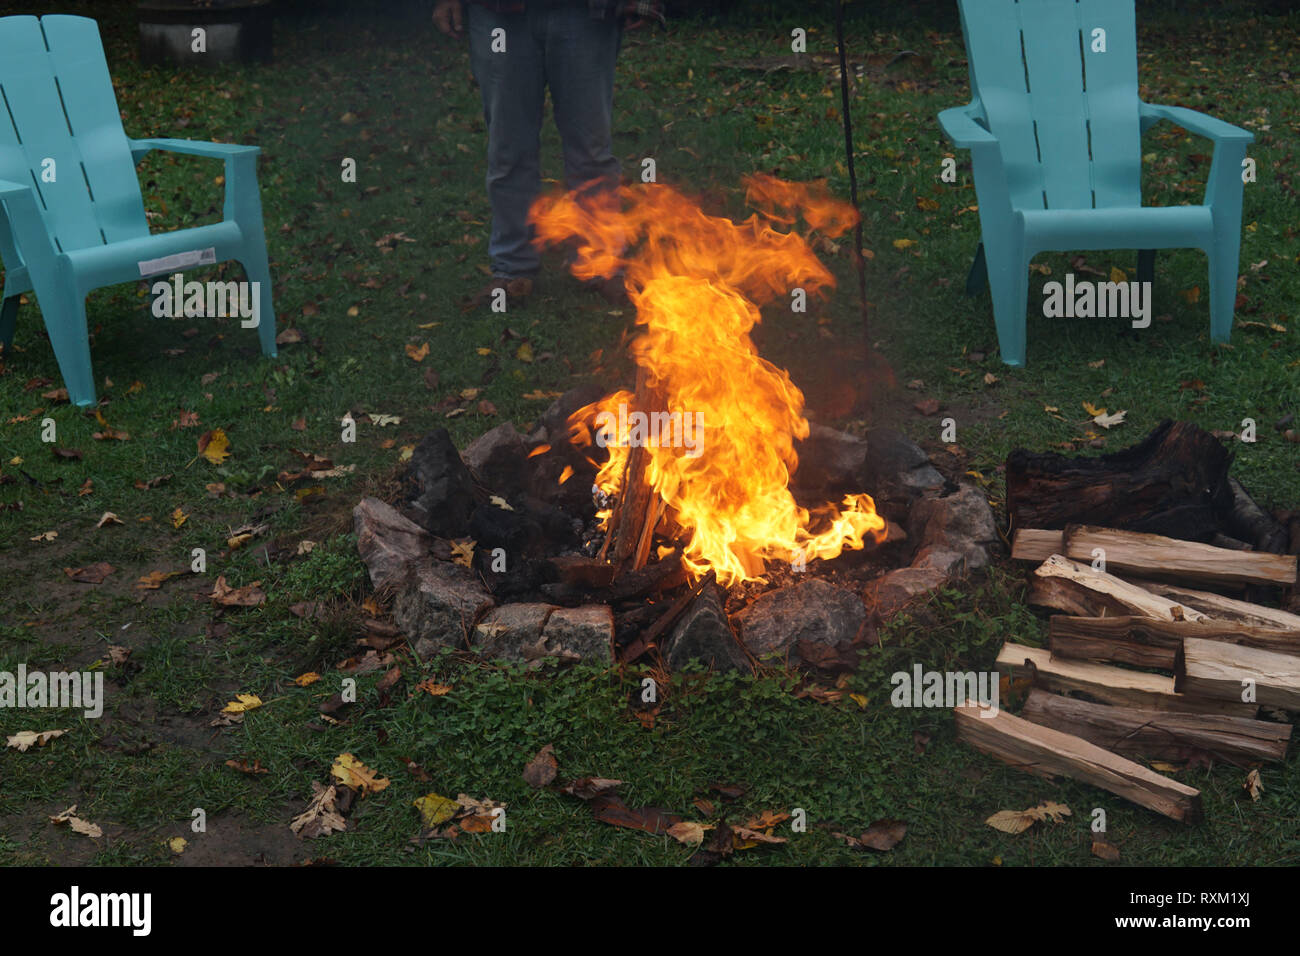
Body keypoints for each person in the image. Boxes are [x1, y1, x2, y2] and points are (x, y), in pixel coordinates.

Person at [432, 0, 665, 308]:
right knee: (509, 147)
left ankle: (600, 261)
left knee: (591, 150)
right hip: (496, 13)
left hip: (584, 14)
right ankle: (512, 269)